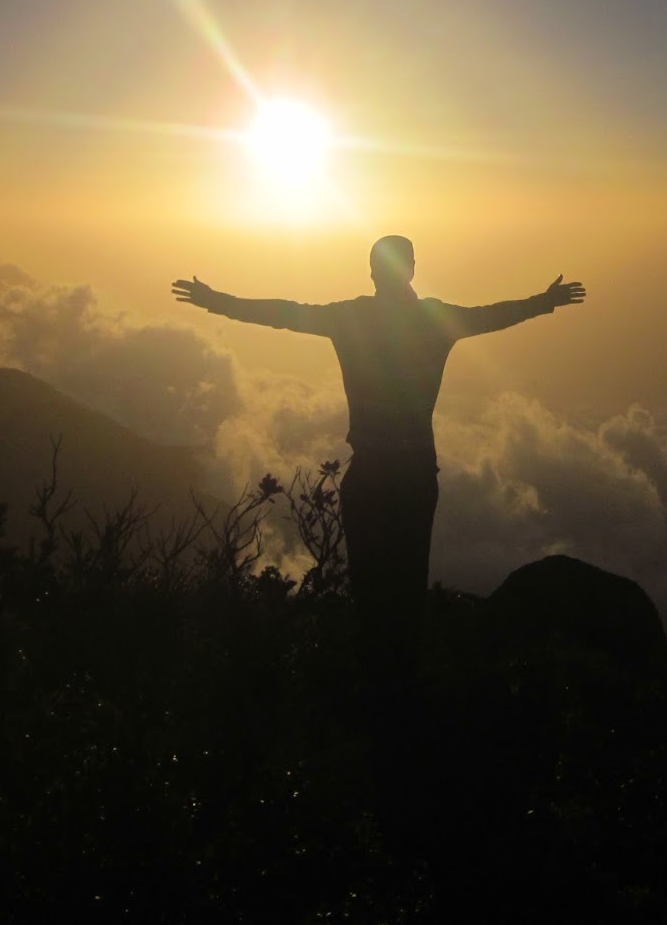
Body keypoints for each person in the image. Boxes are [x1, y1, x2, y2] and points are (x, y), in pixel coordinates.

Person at [172, 235, 585, 686]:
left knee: (370, 593)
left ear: (375, 272)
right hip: (413, 477)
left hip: (370, 476)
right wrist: (544, 302)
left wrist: (219, 302)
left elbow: (282, 313)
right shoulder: (433, 321)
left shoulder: (352, 318)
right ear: (411, 269)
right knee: (406, 588)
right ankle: (401, 690)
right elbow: (494, 316)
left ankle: (376, 689)